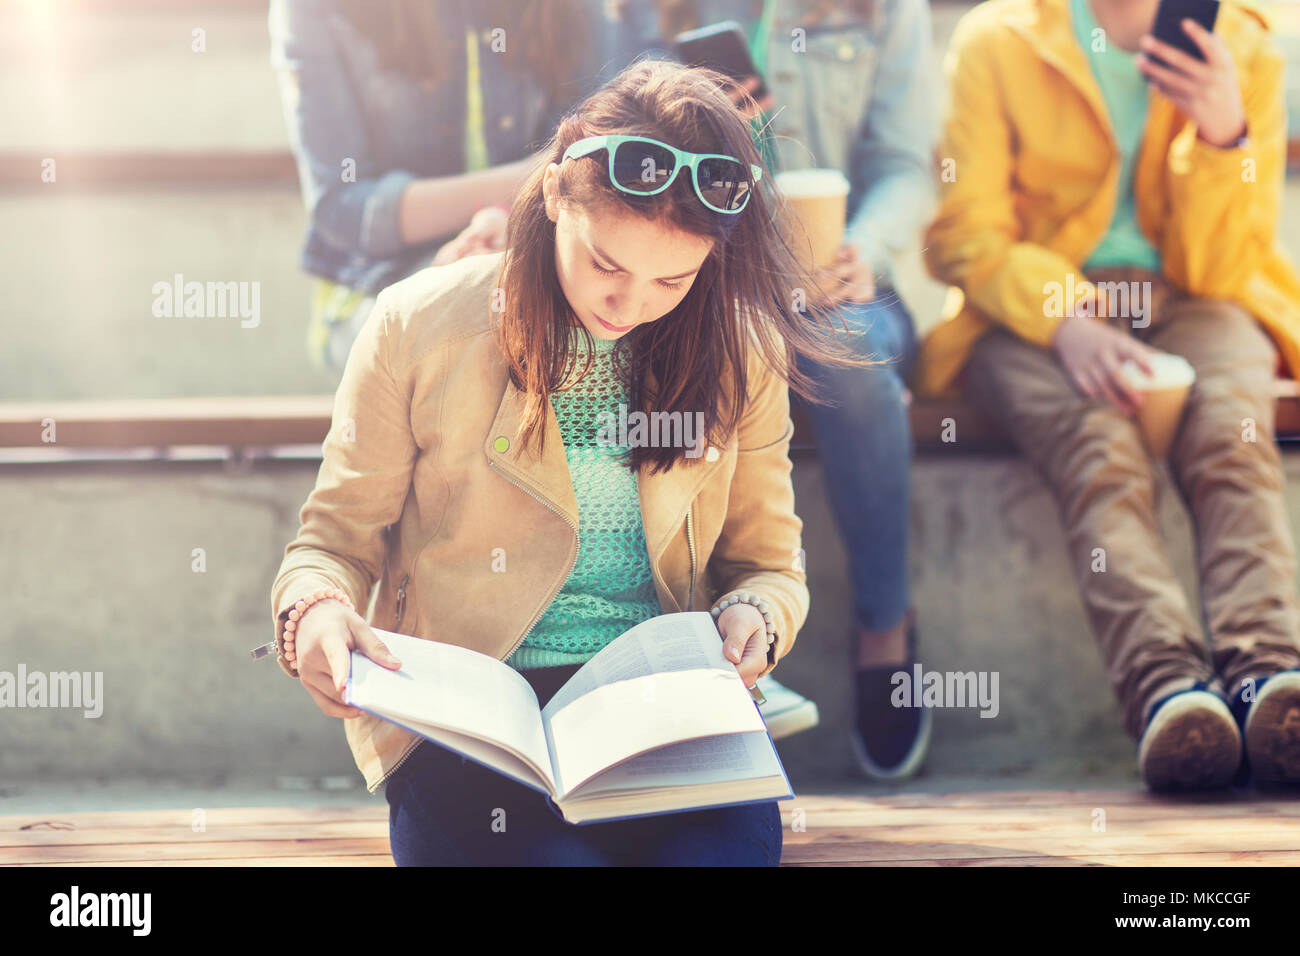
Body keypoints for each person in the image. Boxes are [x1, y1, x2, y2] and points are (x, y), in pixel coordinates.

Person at [268, 59, 864, 864]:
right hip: (471, 727)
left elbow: (767, 565)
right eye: (607, 265)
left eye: (673, 279)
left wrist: (755, 618)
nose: (630, 304)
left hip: (663, 721)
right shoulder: (418, 325)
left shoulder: (741, 350)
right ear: (553, 196)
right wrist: (312, 613)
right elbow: (333, 543)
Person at [922, 0, 1300, 791]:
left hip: (1195, 298)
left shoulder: (1246, 47)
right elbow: (966, 233)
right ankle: (1170, 689)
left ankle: (1270, 682)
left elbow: (1224, 270)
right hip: (1030, 311)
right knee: (1099, 445)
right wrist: (1066, 319)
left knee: (1232, 432)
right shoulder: (999, 38)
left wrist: (1223, 135)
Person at [608, 0, 944, 777]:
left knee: (848, 357)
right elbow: (617, 144)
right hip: (706, 272)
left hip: (846, 281)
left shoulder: (888, 11)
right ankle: (699, 640)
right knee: (676, 345)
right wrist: (711, 138)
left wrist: (870, 246)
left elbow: (906, 165)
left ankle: (883, 633)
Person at [268, 0, 612, 378]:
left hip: (533, 249)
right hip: (377, 279)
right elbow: (341, 207)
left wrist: (506, 226)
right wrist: (522, 188)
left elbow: (595, 154)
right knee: (468, 323)